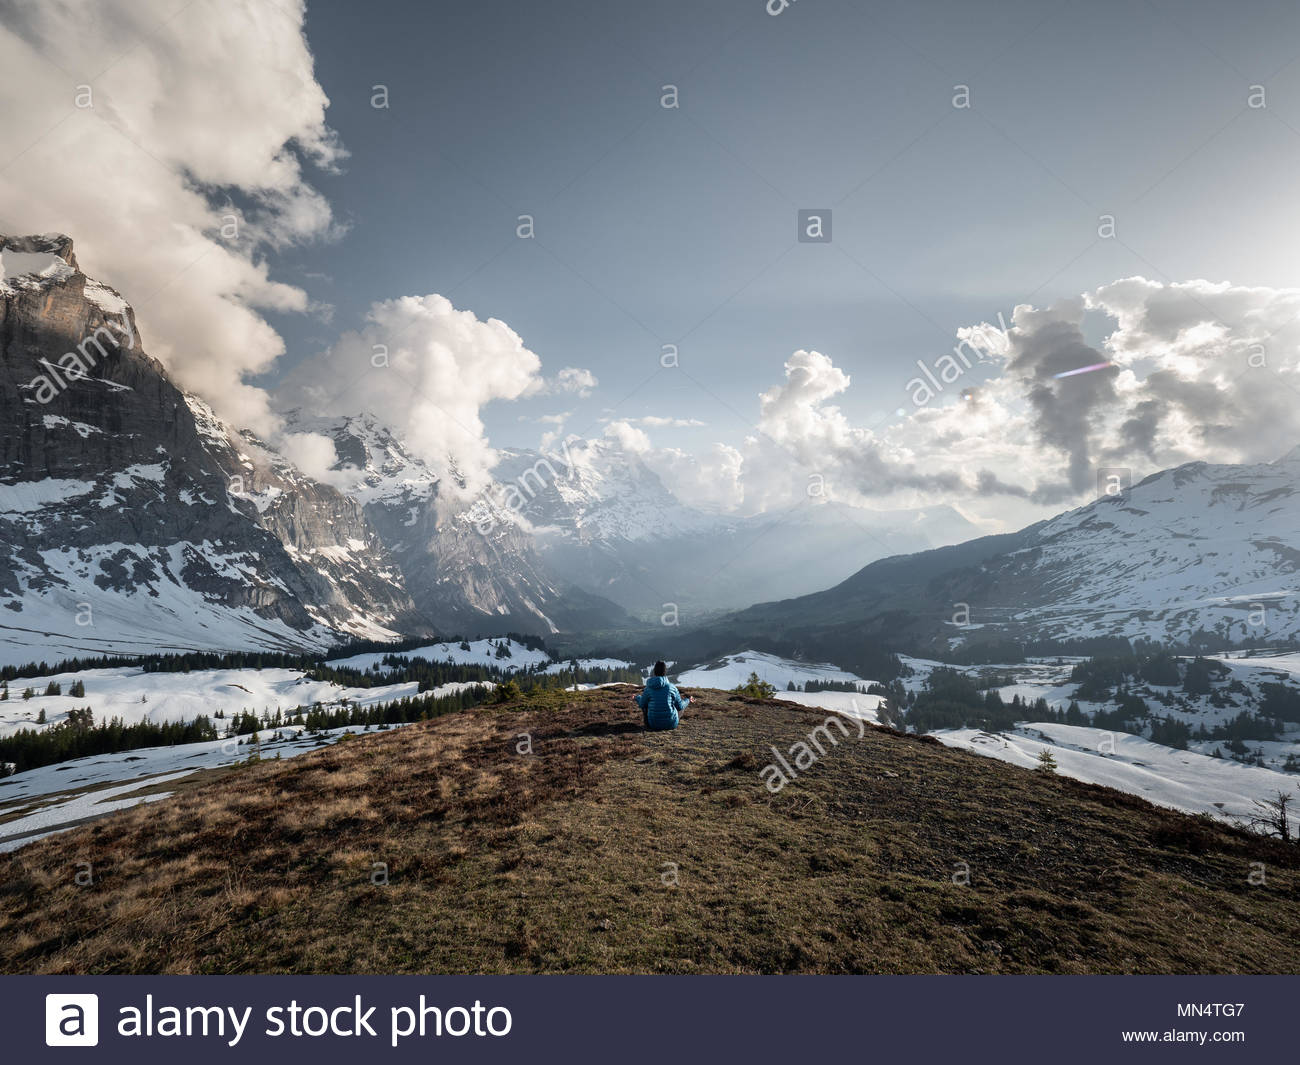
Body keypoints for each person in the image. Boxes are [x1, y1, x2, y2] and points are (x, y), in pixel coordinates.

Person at [635, 661, 689, 731]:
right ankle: (670, 720)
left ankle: (648, 723)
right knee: (677, 705)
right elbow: (680, 707)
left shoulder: (648, 688)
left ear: (654, 672)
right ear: (665, 672)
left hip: (653, 725)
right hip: (671, 724)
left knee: (645, 705)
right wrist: (688, 700)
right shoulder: (672, 687)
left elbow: (642, 704)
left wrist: (637, 697)